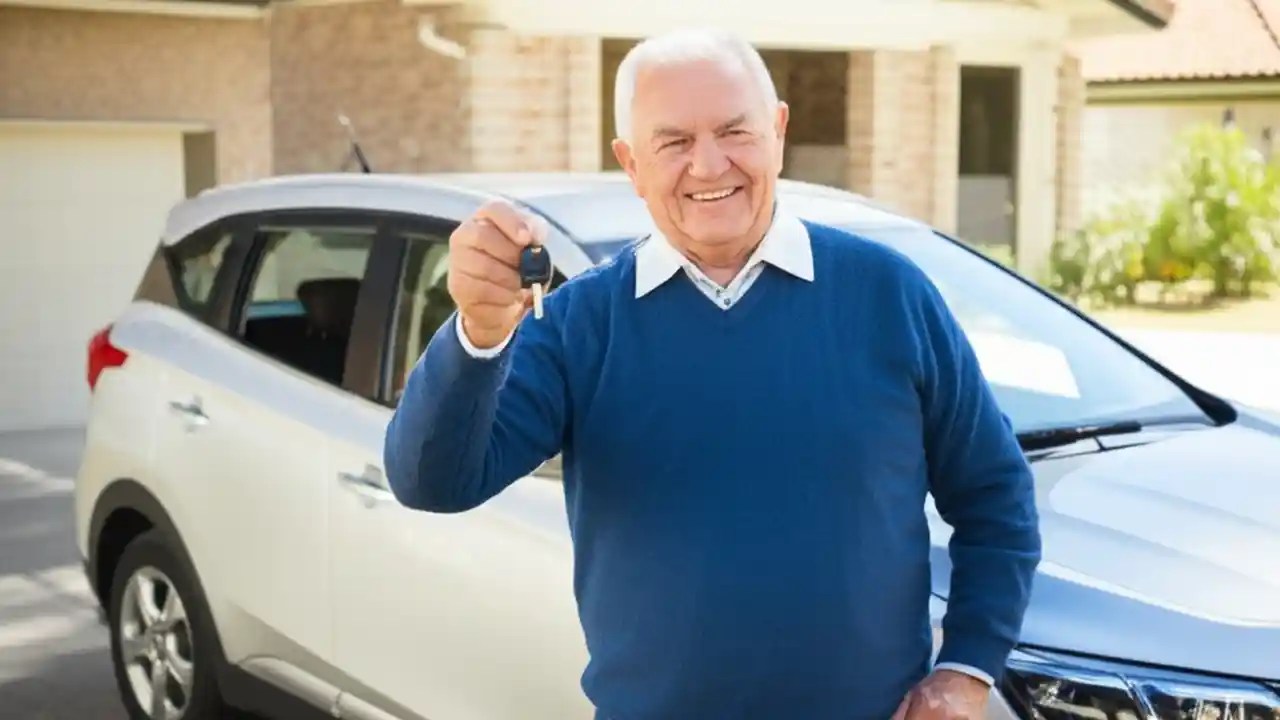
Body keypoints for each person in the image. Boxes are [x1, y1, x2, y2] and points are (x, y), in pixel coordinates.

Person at [383, 27, 1042, 720]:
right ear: (630, 163)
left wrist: (966, 670)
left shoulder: (888, 295)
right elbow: (433, 482)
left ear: (778, 131)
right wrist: (479, 334)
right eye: (673, 143)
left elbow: (995, 497)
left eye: (735, 131)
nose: (709, 165)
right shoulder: (579, 325)